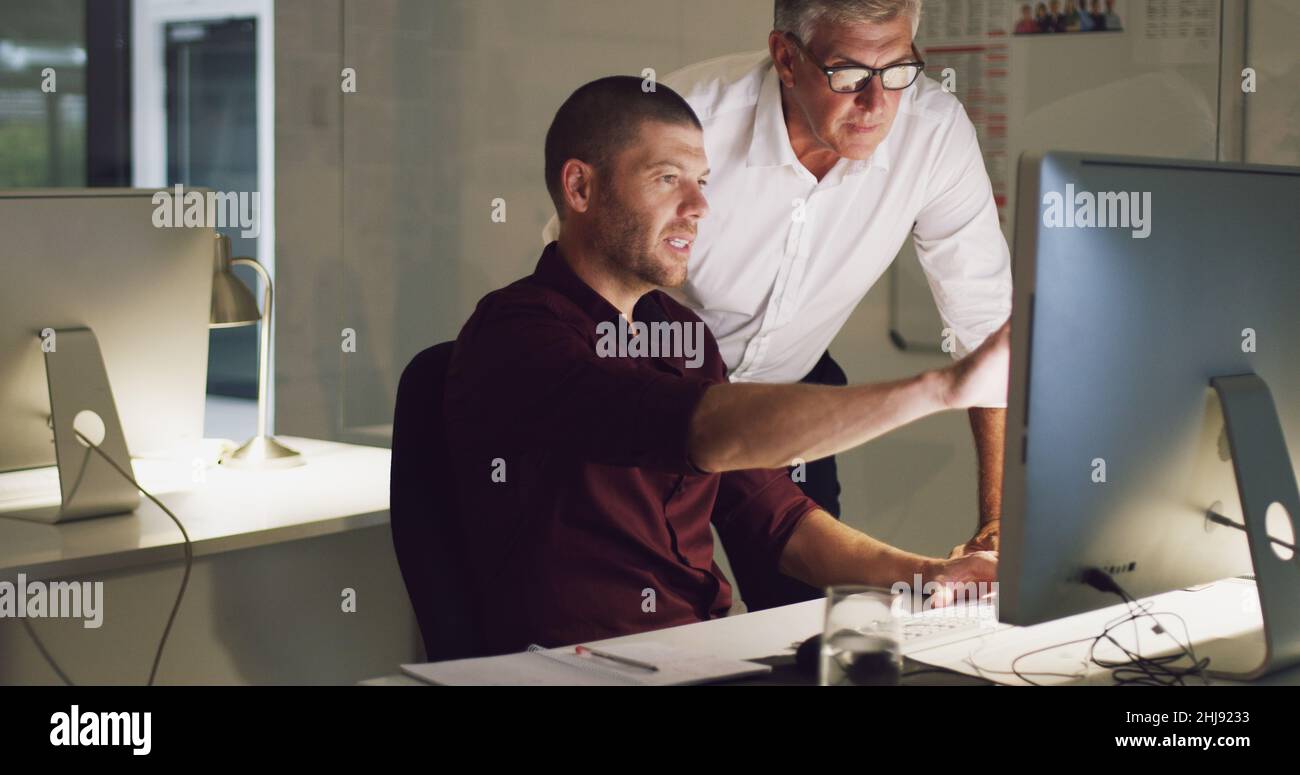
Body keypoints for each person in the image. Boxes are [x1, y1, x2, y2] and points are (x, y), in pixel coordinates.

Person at [447, 76, 1006, 654]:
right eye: (668, 180)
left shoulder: (684, 333)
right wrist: (940, 389)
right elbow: (698, 429)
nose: (698, 207)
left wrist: (928, 574)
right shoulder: (515, 333)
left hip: (698, 657)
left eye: (703, 182)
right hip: (574, 669)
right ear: (580, 187)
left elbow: (774, 516)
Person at [546, 0, 1012, 611]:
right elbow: (583, 267)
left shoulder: (932, 132)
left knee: (807, 621)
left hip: (785, 401)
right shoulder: (683, 123)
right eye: (847, 74)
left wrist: (983, 542)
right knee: (641, 612)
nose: (877, 104)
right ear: (786, 58)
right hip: (649, 403)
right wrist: (940, 388)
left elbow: (986, 330)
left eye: (898, 70)